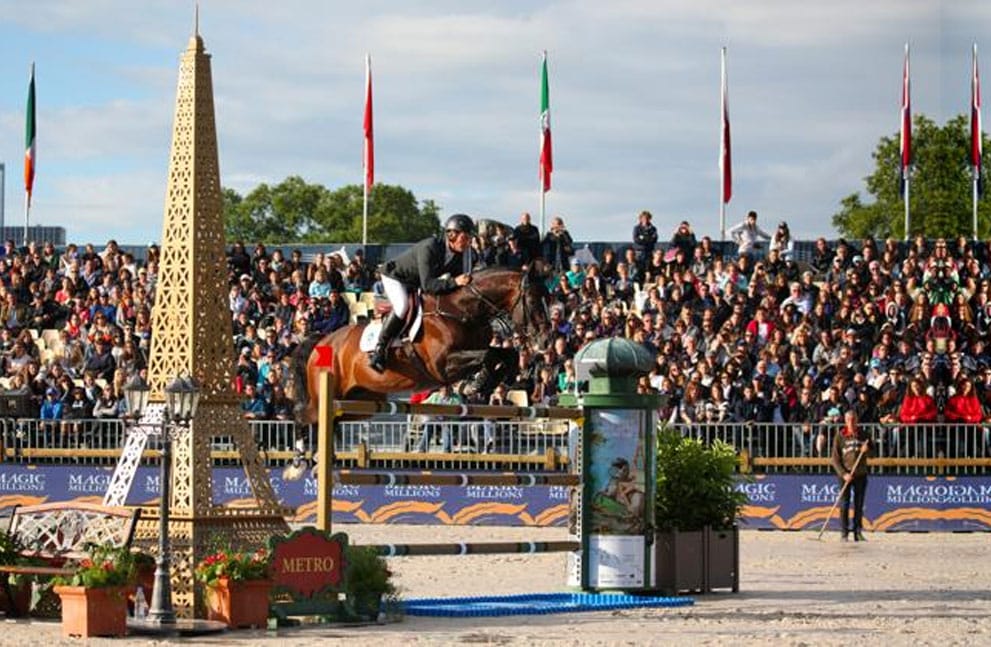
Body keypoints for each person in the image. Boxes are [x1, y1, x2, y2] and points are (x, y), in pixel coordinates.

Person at [369, 214, 476, 373]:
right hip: (396, 277)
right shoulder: (430, 247)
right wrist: (455, 282)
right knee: (402, 306)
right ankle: (380, 349)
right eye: (465, 238)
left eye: (469, 238)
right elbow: (428, 285)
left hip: (416, 281)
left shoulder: (463, 255)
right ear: (451, 235)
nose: (468, 242)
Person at [830, 409, 873, 541]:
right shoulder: (840, 436)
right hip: (845, 475)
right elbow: (835, 459)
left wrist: (867, 450)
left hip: (860, 473)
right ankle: (844, 533)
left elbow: (873, 454)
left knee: (859, 504)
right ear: (845, 421)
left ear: (857, 420)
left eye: (853, 419)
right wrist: (844, 474)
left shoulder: (864, 435)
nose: (851, 422)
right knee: (844, 504)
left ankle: (857, 532)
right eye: (849, 420)